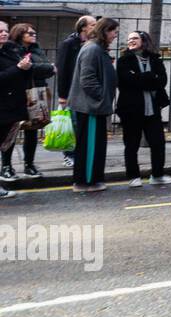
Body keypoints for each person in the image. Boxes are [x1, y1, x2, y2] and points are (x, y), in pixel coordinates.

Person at [116, 30, 171, 188]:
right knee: (131, 144)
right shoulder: (124, 60)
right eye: (129, 39)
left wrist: (141, 78)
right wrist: (150, 77)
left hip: (153, 109)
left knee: (158, 143)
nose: (131, 41)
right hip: (131, 109)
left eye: (135, 38)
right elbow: (127, 81)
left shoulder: (155, 59)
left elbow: (162, 80)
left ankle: (157, 175)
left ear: (143, 40)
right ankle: (134, 176)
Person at [68, 17, 119, 192]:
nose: (115, 35)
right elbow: (88, 80)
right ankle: (85, 182)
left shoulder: (97, 49)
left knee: (95, 145)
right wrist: (102, 97)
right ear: (104, 31)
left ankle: (93, 179)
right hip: (90, 107)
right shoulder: (92, 49)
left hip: (95, 107)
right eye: (113, 31)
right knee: (89, 147)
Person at [0, 23, 55, 182]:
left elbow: (48, 69)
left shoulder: (36, 49)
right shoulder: (12, 49)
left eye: (34, 32)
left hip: (36, 94)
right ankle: (6, 166)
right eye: (30, 33)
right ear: (19, 34)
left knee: (33, 129)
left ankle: (29, 164)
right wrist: (35, 67)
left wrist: (37, 67)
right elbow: (30, 68)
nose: (33, 35)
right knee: (12, 130)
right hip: (17, 94)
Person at [55, 14, 95, 168]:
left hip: (86, 92)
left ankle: (81, 154)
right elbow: (63, 70)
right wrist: (62, 95)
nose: (95, 27)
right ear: (83, 27)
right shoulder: (70, 44)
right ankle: (69, 155)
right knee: (72, 125)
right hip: (72, 92)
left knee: (82, 125)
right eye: (92, 24)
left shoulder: (93, 43)